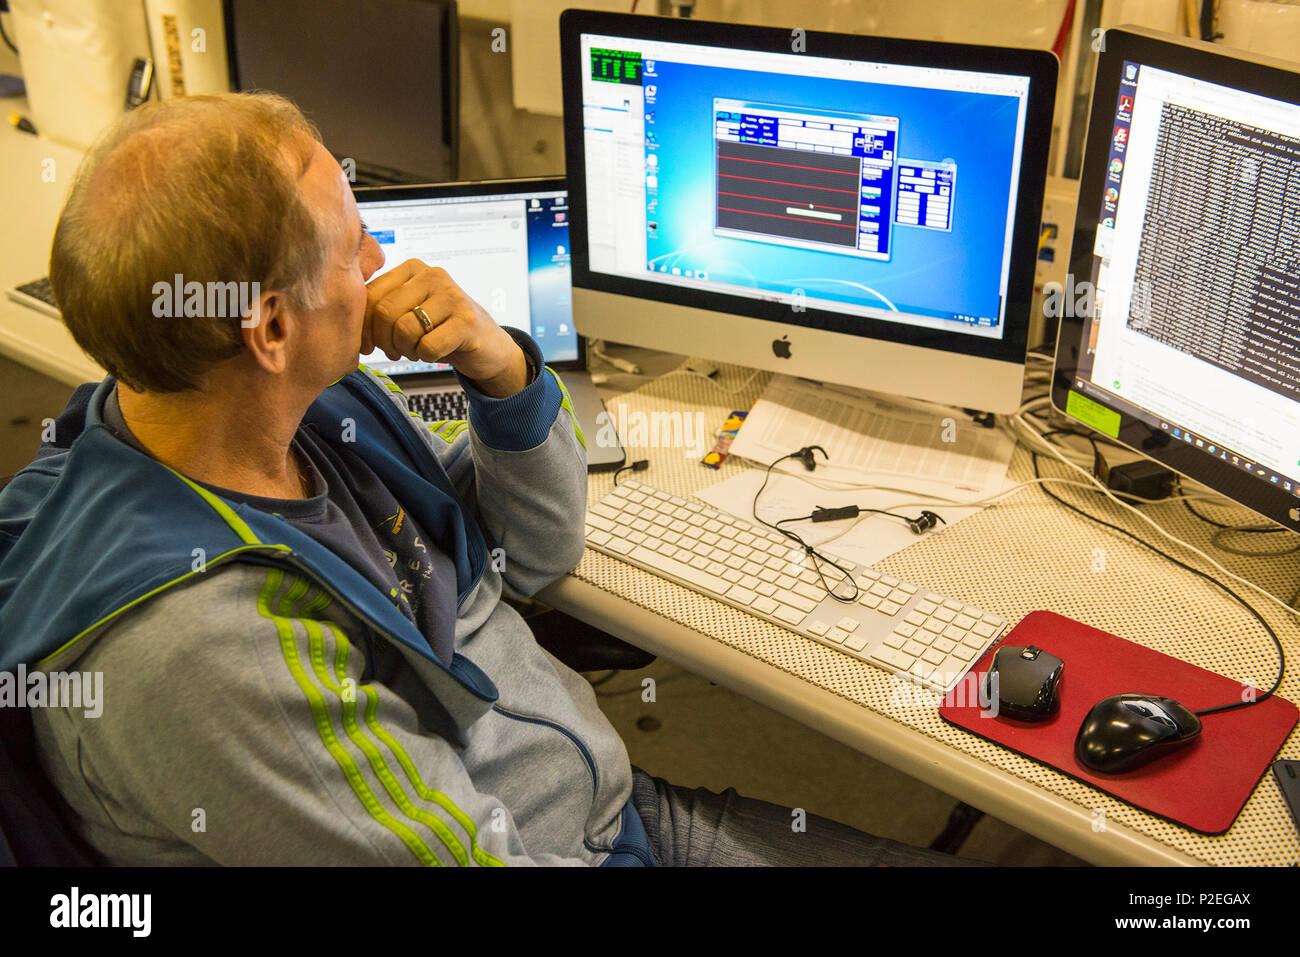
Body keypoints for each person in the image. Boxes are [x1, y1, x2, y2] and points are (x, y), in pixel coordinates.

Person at [0, 92, 970, 866]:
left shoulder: (285, 419)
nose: (382, 259)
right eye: (351, 246)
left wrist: (499, 371)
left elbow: (527, 555)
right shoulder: (211, 652)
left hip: (599, 803)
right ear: (272, 329)